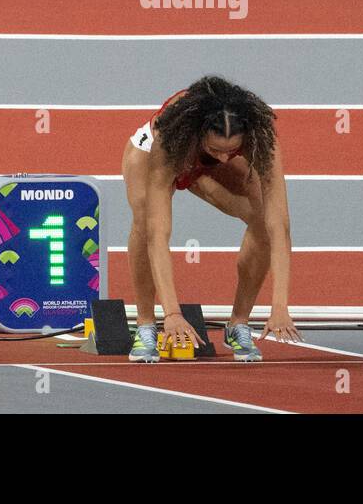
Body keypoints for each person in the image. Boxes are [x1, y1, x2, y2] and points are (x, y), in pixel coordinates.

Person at [122, 76, 300, 362]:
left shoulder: (261, 136)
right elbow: (158, 236)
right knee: (145, 222)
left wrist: (280, 306)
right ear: (200, 133)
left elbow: (279, 224)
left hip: (201, 162)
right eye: (217, 149)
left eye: (233, 150)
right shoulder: (170, 141)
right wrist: (172, 314)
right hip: (156, 156)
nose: (226, 158)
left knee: (261, 219)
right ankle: (144, 326)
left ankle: (238, 324)